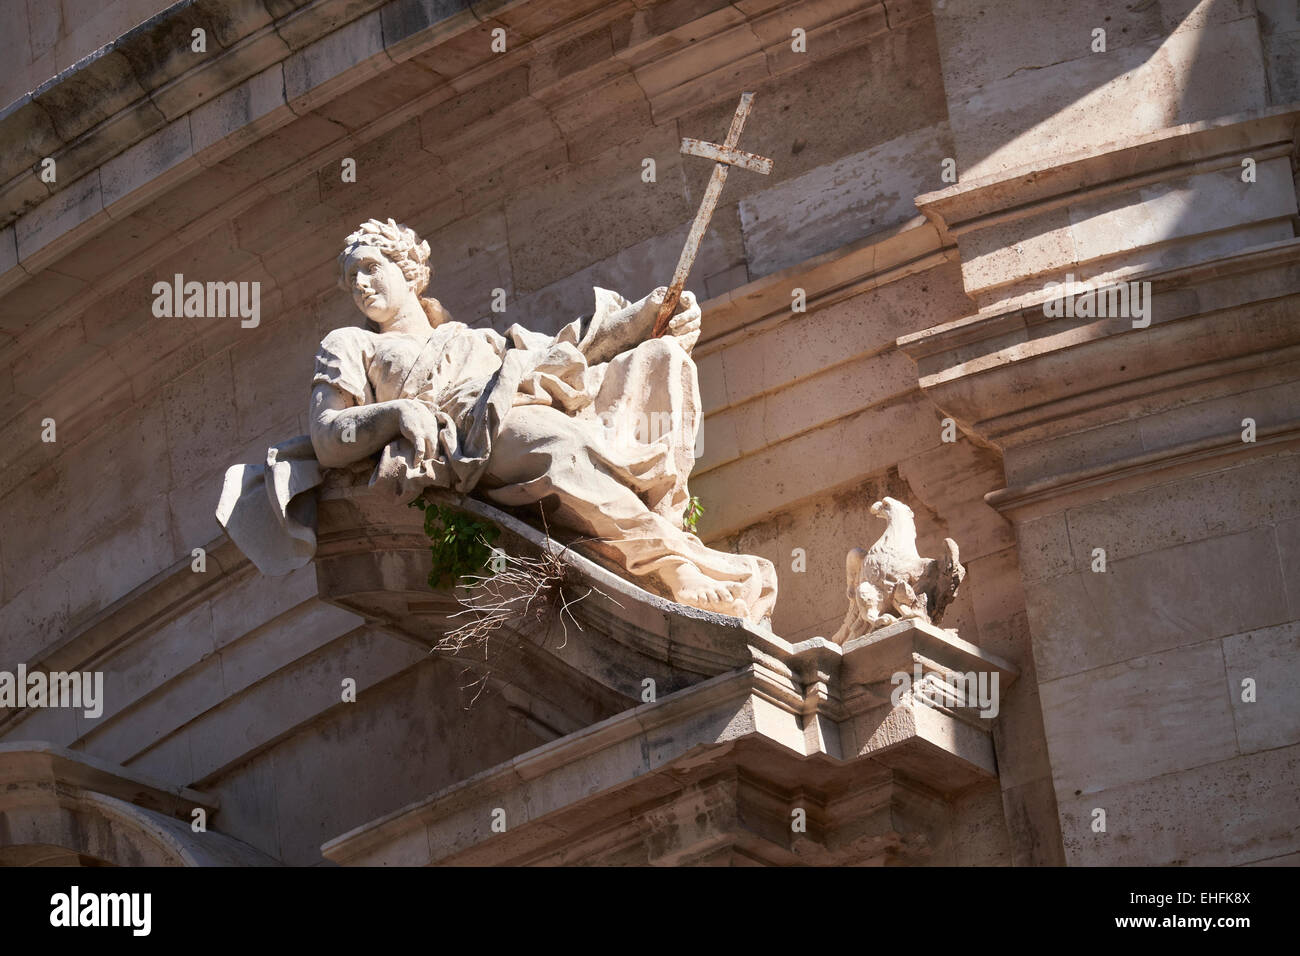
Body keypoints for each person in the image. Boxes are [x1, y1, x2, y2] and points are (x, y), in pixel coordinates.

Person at [307, 218, 776, 625]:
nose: (361, 284)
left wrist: (651, 314)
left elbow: (568, 351)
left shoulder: (474, 339)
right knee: (557, 447)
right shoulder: (349, 342)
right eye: (352, 279)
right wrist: (396, 411)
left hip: (516, 398)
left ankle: (667, 541)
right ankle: (673, 564)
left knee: (653, 359)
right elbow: (329, 436)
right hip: (467, 432)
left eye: (371, 268)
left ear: (407, 271)